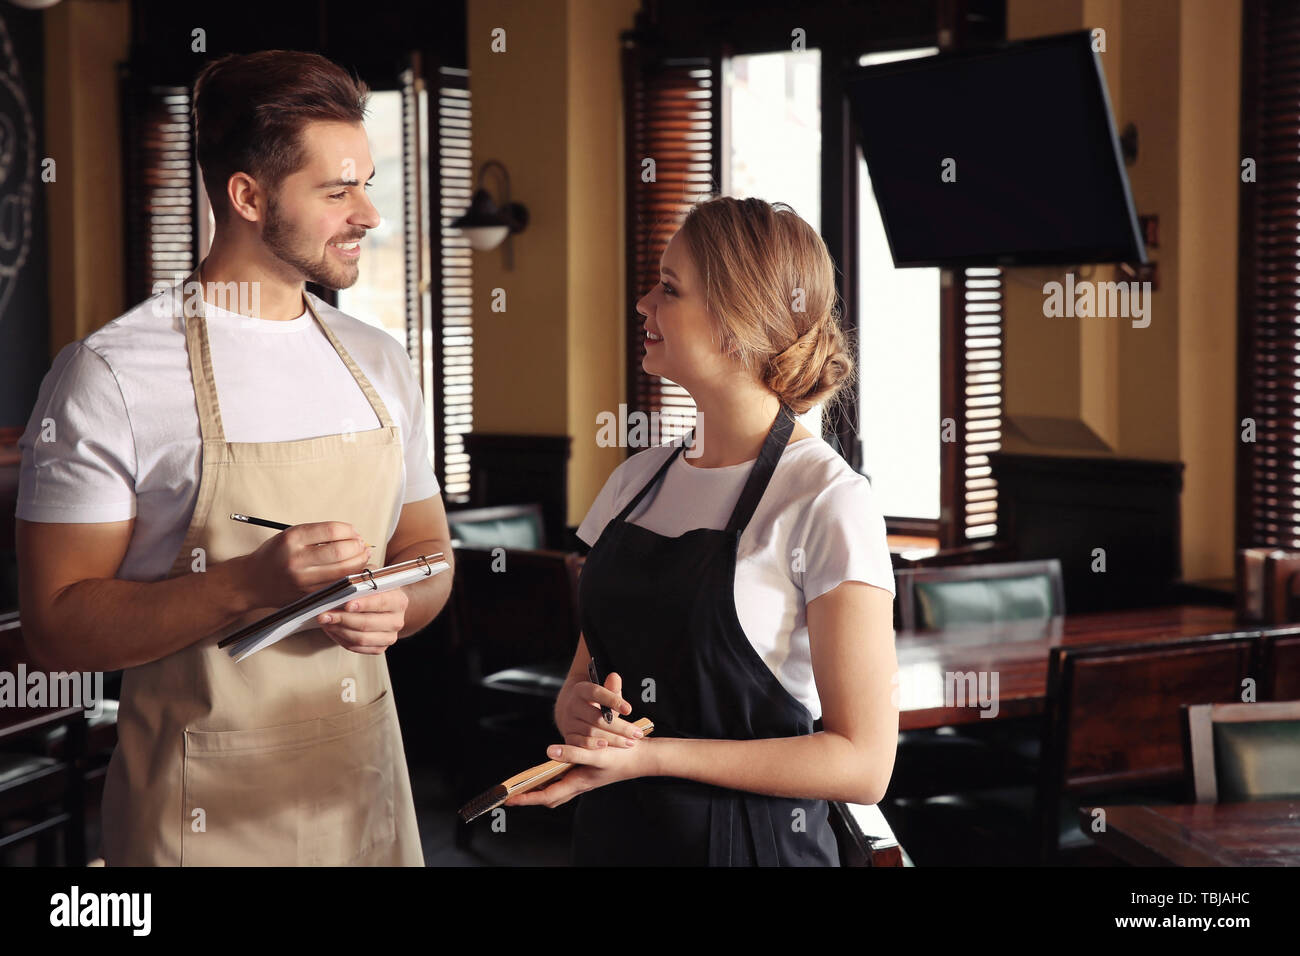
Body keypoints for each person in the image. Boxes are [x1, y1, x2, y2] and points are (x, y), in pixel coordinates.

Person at [14, 50, 454, 866]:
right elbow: (54, 629)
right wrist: (246, 586)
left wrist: (402, 607)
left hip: (362, 796)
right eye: (337, 191)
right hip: (195, 815)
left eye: (365, 183)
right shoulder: (111, 374)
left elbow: (428, 556)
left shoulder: (381, 361)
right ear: (247, 196)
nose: (369, 214)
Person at [507, 196, 898, 866]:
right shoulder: (634, 483)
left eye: (668, 289)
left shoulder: (827, 500)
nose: (642, 305)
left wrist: (653, 758)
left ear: (736, 325)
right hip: (615, 842)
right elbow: (582, 678)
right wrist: (577, 711)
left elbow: (862, 764)